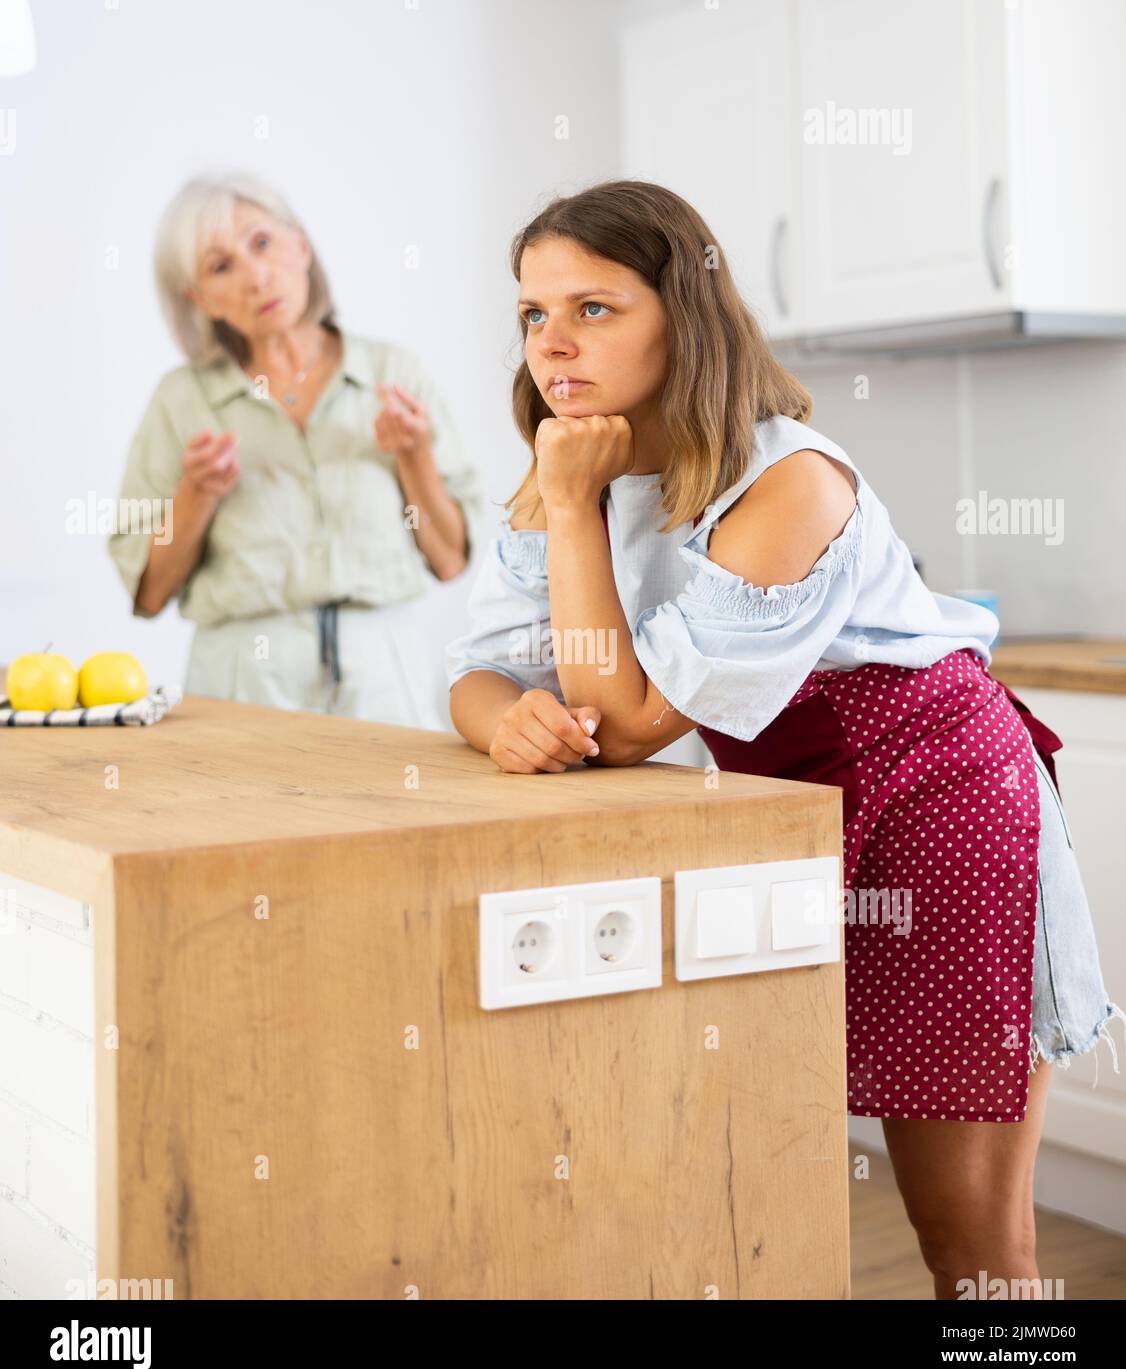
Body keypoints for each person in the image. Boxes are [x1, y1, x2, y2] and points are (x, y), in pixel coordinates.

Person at [445, 179, 1125, 1299]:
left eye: (593, 308)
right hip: (783, 812)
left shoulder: (788, 482)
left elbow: (619, 726)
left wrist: (568, 512)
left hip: (937, 809)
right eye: (531, 313)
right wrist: (502, 721)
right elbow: (482, 669)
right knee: (747, 1186)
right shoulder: (573, 461)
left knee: (973, 1246)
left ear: (685, 312)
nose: (550, 344)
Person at [108, 171, 486, 728]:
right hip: (241, 690)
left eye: (262, 243)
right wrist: (197, 494)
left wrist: (415, 456)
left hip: (383, 683)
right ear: (200, 298)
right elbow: (149, 592)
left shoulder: (394, 373)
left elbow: (452, 560)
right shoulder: (180, 399)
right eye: (221, 266)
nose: (256, 276)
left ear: (301, 245)